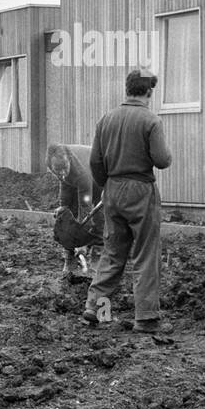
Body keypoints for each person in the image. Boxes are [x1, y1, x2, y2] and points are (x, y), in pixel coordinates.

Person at [83, 67, 172, 334]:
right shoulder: (150, 121)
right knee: (146, 253)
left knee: (112, 251)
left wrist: (108, 187)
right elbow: (162, 160)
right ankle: (145, 318)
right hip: (140, 190)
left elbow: (95, 162)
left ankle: (95, 309)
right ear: (148, 91)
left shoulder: (106, 119)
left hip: (112, 189)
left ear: (127, 89)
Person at [47, 142, 103, 277]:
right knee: (67, 214)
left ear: (69, 160)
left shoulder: (81, 174)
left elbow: (85, 208)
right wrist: (63, 205)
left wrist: (82, 239)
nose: (61, 173)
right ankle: (69, 256)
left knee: (98, 216)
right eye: (57, 170)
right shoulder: (53, 162)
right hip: (77, 179)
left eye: (64, 168)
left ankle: (97, 255)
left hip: (98, 178)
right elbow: (64, 181)